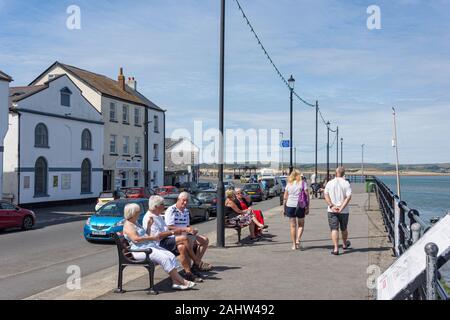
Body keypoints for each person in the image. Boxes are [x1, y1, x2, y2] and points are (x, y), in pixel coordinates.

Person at [122, 203, 196, 290]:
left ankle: (176, 282)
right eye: (137, 212)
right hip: (140, 251)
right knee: (164, 258)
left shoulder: (135, 222)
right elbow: (136, 239)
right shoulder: (128, 225)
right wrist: (152, 237)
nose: (139, 213)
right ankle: (182, 281)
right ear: (132, 213)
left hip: (148, 247)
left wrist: (149, 226)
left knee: (170, 256)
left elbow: (145, 235)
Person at [143, 195, 204, 282]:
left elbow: (165, 230)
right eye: (162, 204)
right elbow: (158, 236)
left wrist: (177, 232)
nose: (164, 206)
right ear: (156, 206)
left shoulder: (158, 215)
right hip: (158, 244)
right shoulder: (150, 217)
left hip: (165, 240)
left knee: (182, 247)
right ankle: (196, 260)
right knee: (184, 239)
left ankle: (188, 273)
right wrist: (173, 232)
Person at [165, 192, 213, 273]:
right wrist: (185, 229)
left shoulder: (186, 211)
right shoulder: (171, 210)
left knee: (204, 240)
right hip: (175, 236)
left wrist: (192, 229)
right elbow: (169, 227)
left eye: (187, 201)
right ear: (178, 200)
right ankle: (194, 266)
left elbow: (187, 226)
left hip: (186, 234)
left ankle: (195, 265)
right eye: (183, 200)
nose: (185, 202)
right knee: (188, 242)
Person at [324, 167, 352, 256]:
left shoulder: (329, 183)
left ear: (335, 173)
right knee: (344, 228)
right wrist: (341, 208)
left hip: (332, 210)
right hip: (344, 211)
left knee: (334, 229)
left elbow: (326, 194)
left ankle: (336, 248)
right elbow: (349, 196)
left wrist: (331, 205)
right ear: (344, 174)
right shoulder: (346, 183)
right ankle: (344, 244)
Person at [283, 170, 310, 250]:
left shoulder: (289, 184)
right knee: (301, 225)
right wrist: (307, 207)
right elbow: (307, 196)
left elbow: (285, 197)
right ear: (299, 175)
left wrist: (284, 209)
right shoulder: (303, 183)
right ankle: (298, 239)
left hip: (290, 205)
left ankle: (294, 244)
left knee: (292, 226)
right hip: (300, 206)